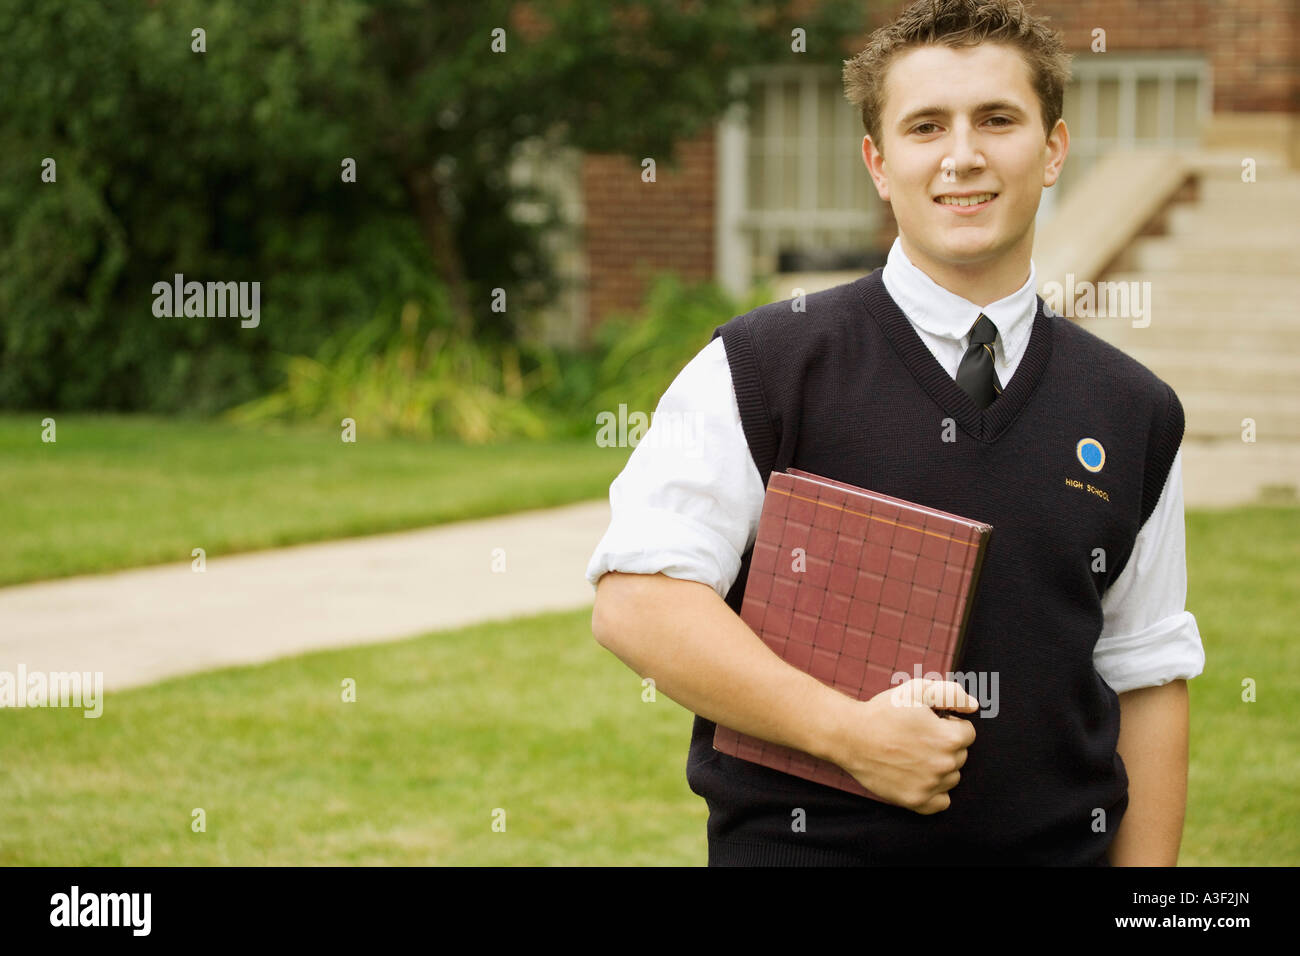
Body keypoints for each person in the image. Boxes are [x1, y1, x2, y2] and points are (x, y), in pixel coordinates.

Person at [587, 0, 1204, 866]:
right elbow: (637, 602)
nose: (963, 156)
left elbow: (1147, 672)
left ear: (1054, 148)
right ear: (879, 163)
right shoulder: (765, 366)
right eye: (926, 127)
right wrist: (848, 734)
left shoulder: (1134, 408)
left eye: (998, 119)